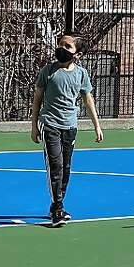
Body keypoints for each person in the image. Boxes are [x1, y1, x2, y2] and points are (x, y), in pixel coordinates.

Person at [29, 34, 103, 228]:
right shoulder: (48, 71)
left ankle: (58, 202)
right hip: (50, 124)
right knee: (55, 166)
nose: (62, 48)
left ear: (77, 54)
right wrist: (34, 126)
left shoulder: (81, 74)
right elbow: (37, 99)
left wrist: (96, 125)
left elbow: (88, 99)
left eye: (67, 46)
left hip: (70, 126)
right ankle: (58, 207)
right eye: (61, 44)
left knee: (66, 168)